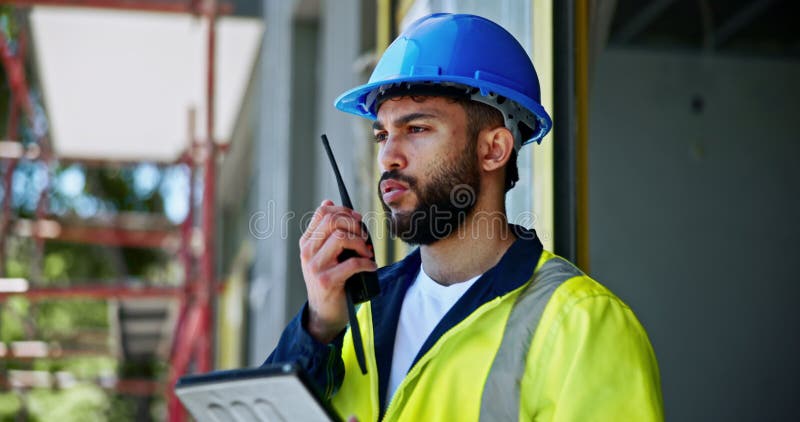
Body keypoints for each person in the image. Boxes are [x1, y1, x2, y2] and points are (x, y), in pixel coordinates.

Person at [265, 13, 663, 421]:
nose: (387, 156)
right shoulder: (353, 317)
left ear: (493, 149)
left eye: (416, 128)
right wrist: (315, 329)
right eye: (382, 134)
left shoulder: (582, 327)